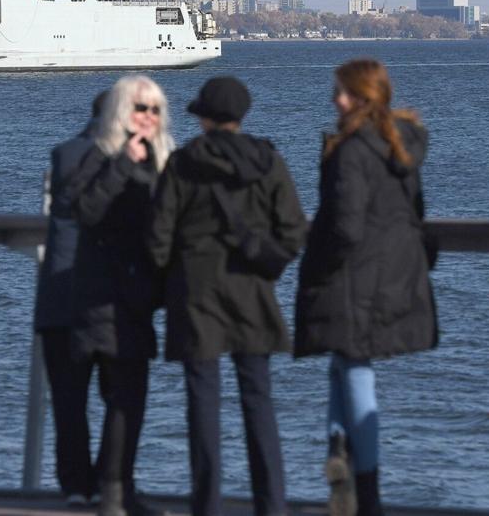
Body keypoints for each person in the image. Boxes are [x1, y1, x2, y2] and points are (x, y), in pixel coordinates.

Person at [147, 76, 306, 516]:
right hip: (252, 290)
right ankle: (272, 506)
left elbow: (158, 237)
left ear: (203, 117)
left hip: (196, 292)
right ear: (241, 116)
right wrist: (266, 263)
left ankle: (207, 506)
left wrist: (168, 283)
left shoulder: (181, 164)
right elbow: (293, 229)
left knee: (202, 405)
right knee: (259, 401)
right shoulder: (268, 161)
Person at [293, 59, 438, 516]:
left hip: (354, 274)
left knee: (354, 368)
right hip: (395, 274)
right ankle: (340, 451)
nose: (336, 100)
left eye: (344, 93)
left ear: (364, 97)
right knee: (344, 362)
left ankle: (363, 483)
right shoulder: (401, 144)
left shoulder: (352, 150)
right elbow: (415, 211)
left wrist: (320, 267)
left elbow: (346, 225)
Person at [70, 74, 172, 516]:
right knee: (121, 397)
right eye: (138, 108)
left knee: (132, 398)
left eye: (153, 109)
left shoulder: (161, 158)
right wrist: (122, 164)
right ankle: (112, 494)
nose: (147, 117)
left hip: (138, 296)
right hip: (102, 295)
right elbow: (84, 210)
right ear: (120, 112)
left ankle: (122, 488)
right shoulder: (101, 156)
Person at [33, 91, 107, 506]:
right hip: (108, 298)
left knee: (67, 400)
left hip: (58, 296)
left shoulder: (62, 154)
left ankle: (74, 485)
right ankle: (113, 483)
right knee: (120, 399)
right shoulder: (128, 159)